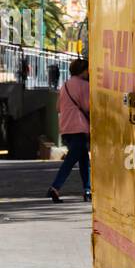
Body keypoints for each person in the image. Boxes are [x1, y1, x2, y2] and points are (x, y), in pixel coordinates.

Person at [47, 59, 91, 202]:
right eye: (87, 70)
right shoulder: (85, 85)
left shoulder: (65, 85)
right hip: (79, 128)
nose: (88, 72)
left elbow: (58, 107)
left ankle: (87, 190)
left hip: (66, 129)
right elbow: (88, 107)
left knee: (84, 160)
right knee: (70, 161)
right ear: (82, 70)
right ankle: (55, 187)